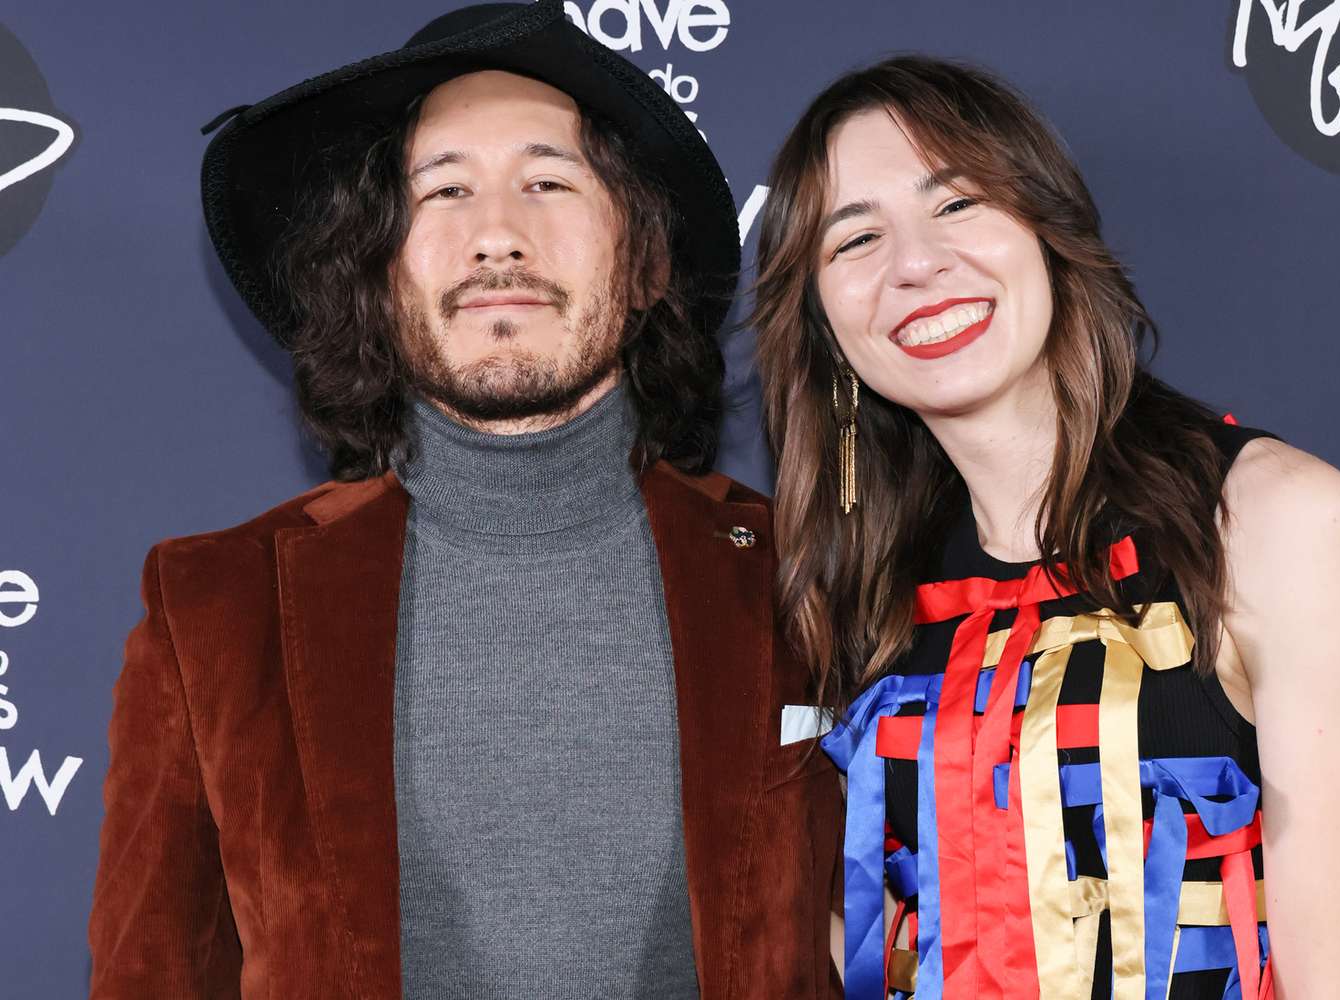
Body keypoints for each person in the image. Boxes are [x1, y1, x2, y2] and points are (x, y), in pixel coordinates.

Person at [87, 4, 841, 998]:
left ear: (647, 262)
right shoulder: (214, 606)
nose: (496, 236)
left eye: (548, 182)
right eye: (443, 190)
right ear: (376, 270)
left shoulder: (809, 573)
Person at [753, 56, 1340, 999]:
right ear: (821, 321)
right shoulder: (846, 578)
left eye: (957, 203)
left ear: (1047, 228)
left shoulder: (1267, 516)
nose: (915, 264)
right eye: (855, 240)